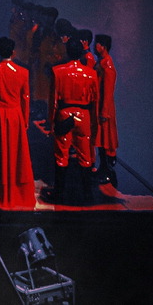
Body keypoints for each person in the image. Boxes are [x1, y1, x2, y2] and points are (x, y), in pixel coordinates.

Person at [0, 37, 35, 210]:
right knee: (17, 155)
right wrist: (25, 120)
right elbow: (25, 98)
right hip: (16, 116)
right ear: (13, 51)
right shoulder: (23, 72)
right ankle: (18, 193)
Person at [44, 39, 99, 205]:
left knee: (61, 154)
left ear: (67, 51)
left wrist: (51, 121)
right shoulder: (91, 74)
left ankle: (59, 192)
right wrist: (94, 122)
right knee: (85, 155)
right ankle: (87, 194)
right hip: (84, 115)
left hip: (64, 113)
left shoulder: (58, 71)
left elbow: (54, 99)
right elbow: (95, 100)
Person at [93, 34, 119, 186]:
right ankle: (103, 170)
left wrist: (104, 112)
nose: (95, 46)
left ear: (103, 46)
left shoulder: (107, 65)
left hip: (104, 109)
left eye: (97, 44)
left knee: (105, 141)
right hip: (101, 107)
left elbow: (108, 91)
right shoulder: (102, 63)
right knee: (101, 141)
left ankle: (106, 172)